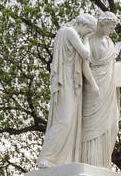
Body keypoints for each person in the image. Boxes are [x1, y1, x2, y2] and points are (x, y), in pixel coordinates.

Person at [37, 14, 99, 167]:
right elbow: (85, 54)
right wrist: (86, 39)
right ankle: (46, 157)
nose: (87, 35)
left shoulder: (67, 32)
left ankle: (62, 159)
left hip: (71, 81)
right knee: (64, 120)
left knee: (69, 120)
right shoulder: (69, 32)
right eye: (88, 31)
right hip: (65, 80)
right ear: (84, 26)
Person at [81, 11, 120, 168]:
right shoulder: (89, 40)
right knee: (93, 127)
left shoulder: (109, 42)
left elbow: (110, 66)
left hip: (109, 88)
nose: (111, 31)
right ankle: (92, 164)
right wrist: (94, 84)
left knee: (113, 124)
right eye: (110, 27)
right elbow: (84, 65)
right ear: (102, 24)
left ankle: (105, 163)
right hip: (93, 88)